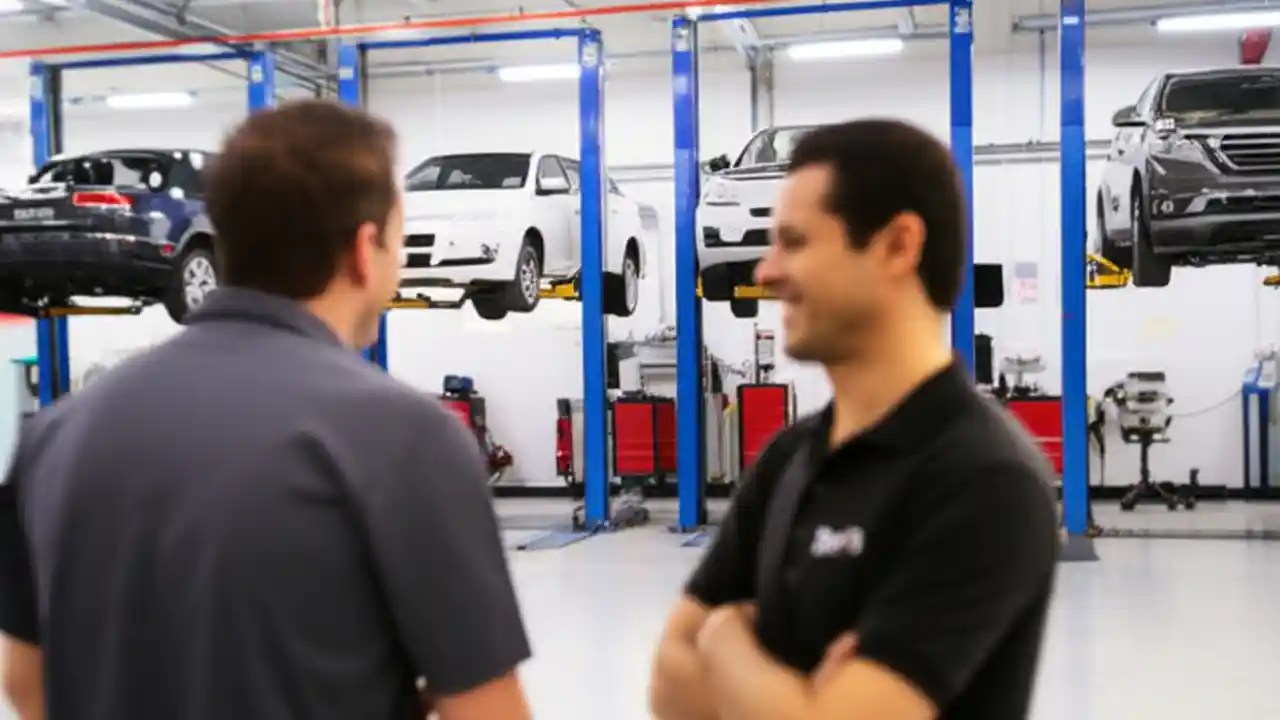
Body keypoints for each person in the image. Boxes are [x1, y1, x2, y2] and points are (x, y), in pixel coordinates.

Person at [0, 100, 533, 720]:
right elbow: (485, 710)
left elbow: (24, 679)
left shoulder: (57, 433)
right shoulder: (406, 439)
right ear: (365, 250)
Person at [649, 119, 1059, 720]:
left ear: (898, 245)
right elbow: (668, 687)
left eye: (794, 242)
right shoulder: (790, 457)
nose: (765, 271)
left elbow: (701, 652)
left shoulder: (986, 480)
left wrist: (723, 639)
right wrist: (795, 697)